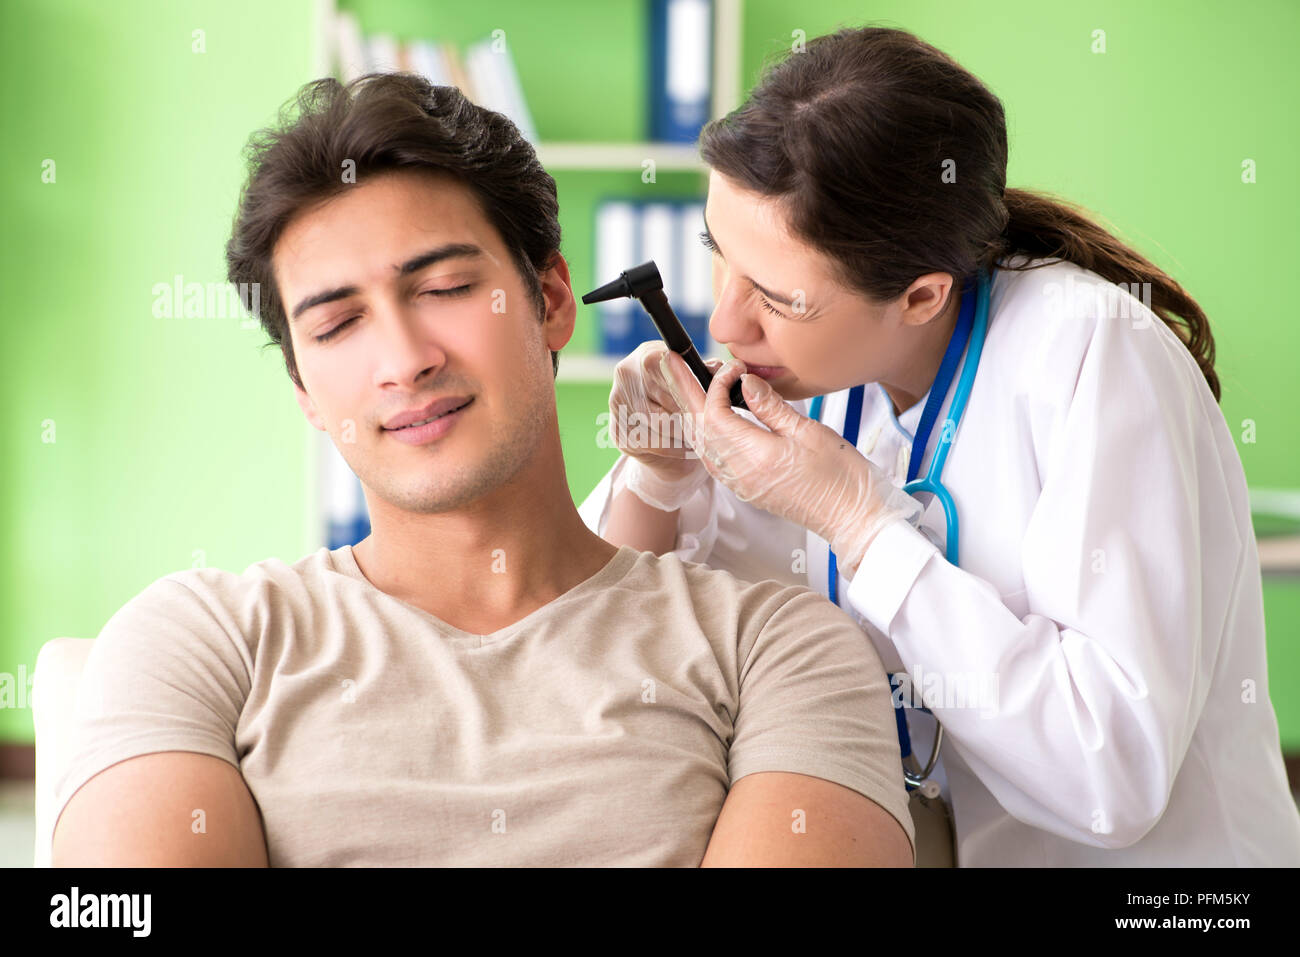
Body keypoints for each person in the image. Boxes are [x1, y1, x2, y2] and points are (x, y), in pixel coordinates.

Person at [49, 73, 916, 867]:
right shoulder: (198, 641)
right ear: (304, 388)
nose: (404, 360)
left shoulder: (780, 650)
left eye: (443, 288)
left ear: (549, 301)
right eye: (337, 325)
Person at [579, 25, 1300, 866]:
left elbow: (1113, 780)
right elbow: (603, 649)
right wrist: (658, 476)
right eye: (718, 257)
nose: (726, 323)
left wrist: (861, 526)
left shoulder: (1092, 352)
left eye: (778, 298)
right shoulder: (821, 374)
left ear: (921, 296)